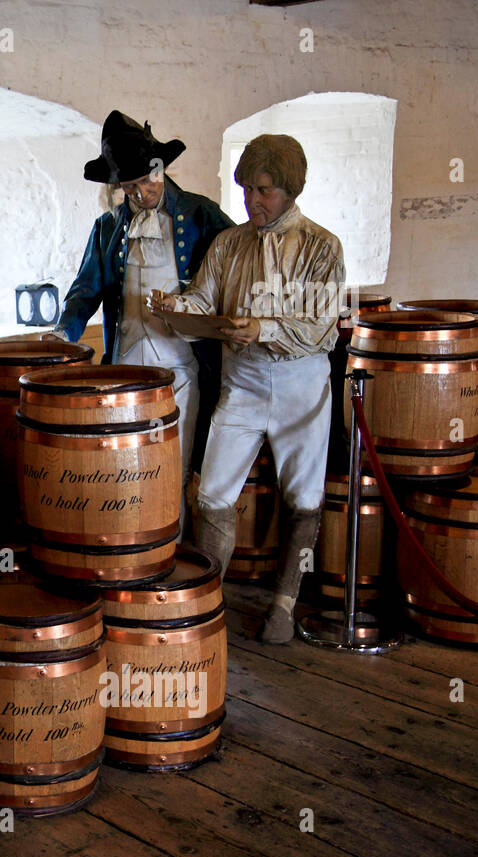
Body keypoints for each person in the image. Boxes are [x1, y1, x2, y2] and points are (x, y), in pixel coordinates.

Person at [150, 134, 345, 645]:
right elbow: (202, 300)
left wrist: (264, 328)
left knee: (303, 498)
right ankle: (208, 602)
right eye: (247, 190)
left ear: (291, 190)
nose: (253, 201)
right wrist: (174, 308)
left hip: (303, 387)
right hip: (243, 384)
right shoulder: (229, 244)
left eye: (265, 191)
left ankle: (283, 604)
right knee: (212, 493)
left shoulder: (323, 246)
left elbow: (324, 329)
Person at [50, 111, 233, 533]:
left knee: (175, 465)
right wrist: (63, 334)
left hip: (182, 366)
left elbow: (238, 268)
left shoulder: (202, 215)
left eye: (144, 182)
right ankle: (128, 547)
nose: (139, 193)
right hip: (125, 367)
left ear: (161, 169)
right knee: (125, 463)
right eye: (128, 186)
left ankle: (171, 551)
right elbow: (85, 289)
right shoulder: (108, 228)